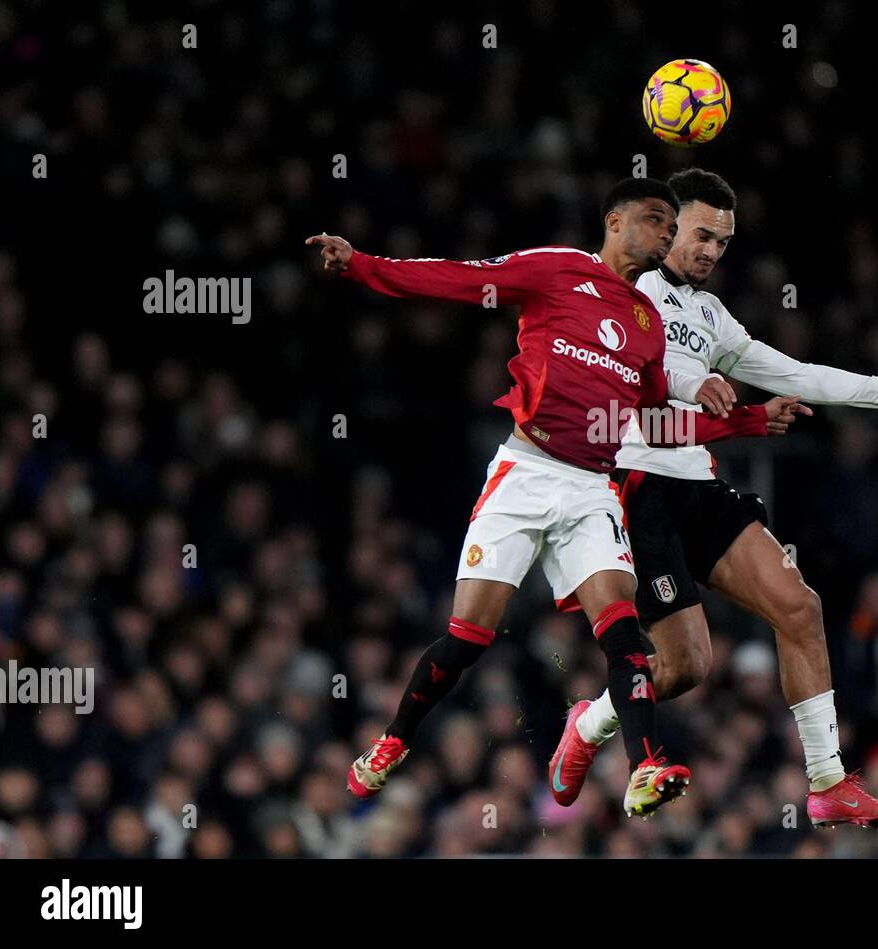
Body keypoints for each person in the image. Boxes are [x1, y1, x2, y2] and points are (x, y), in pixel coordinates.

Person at [305, 177, 809, 818]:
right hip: (525, 471)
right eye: (657, 220)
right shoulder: (557, 271)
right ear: (615, 221)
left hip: (592, 489)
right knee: (467, 639)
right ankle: (394, 740)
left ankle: (644, 765)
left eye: (668, 224)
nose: (666, 233)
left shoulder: (647, 325)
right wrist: (364, 266)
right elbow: (460, 279)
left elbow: (653, 422)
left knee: (624, 634)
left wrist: (747, 421)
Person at [548, 169, 878, 827]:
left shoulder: (709, 315)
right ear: (664, 225)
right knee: (685, 665)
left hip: (695, 482)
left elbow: (797, 374)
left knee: (799, 605)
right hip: (629, 489)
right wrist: (693, 379)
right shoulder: (623, 285)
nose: (711, 251)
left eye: (724, 242)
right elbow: (642, 364)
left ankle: (827, 782)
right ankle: (590, 722)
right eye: (702, 234)